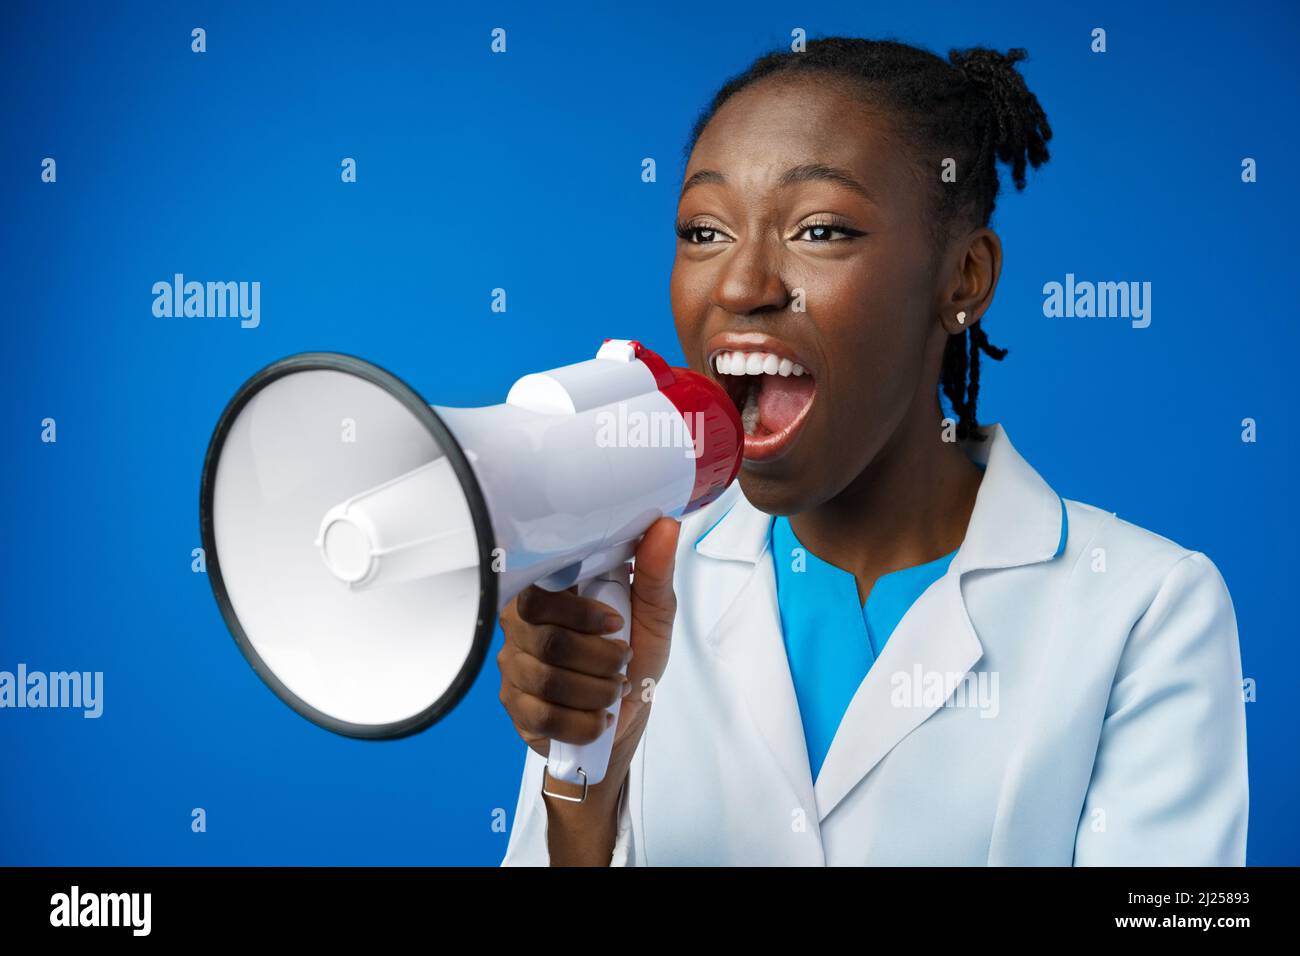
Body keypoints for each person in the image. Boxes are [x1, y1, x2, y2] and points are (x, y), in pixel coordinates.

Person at [496, 37, 1249, 865]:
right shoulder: (634, 583)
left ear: (963, 278)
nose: (743, 286)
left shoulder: (1147, 610)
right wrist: (583, 798)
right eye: (704, 231)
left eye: (819, 229)